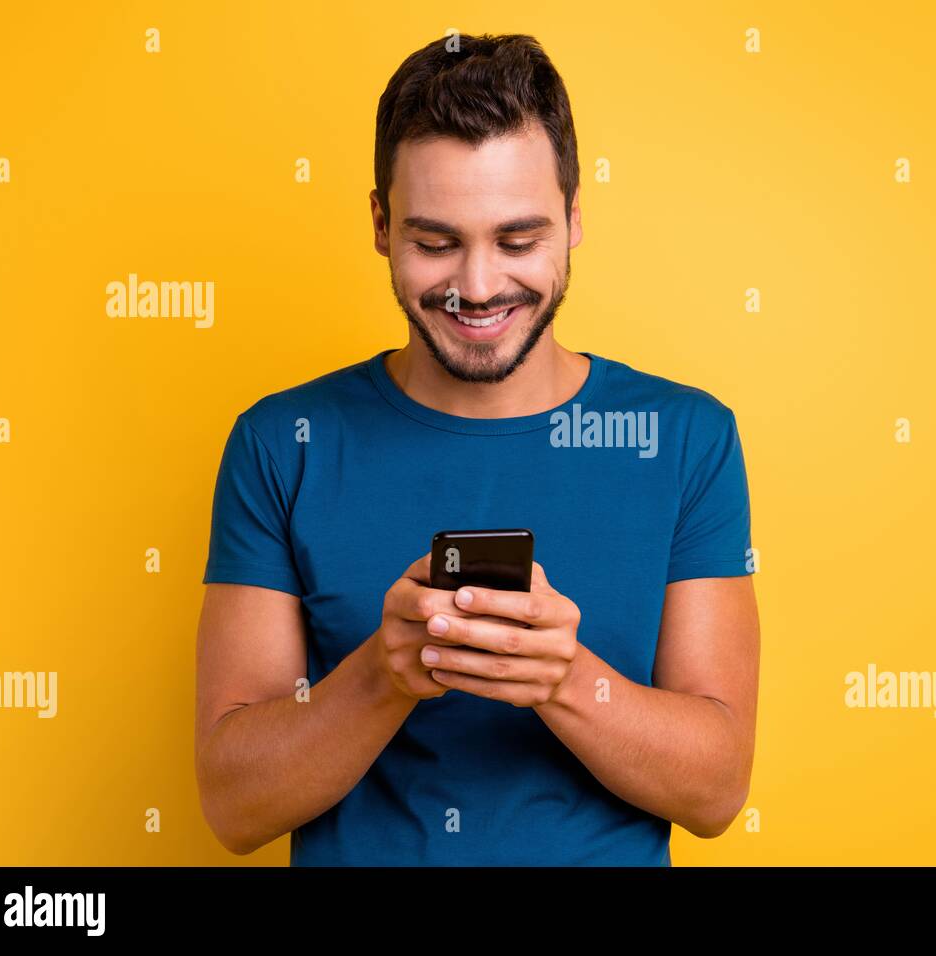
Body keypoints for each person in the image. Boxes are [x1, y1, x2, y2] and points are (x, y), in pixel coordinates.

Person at [194, 32, 760, 866]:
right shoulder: (281, 444)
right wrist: (382, 677)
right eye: (435, 242)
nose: (480, 284)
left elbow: (716, 792)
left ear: (574, 221)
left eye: (519, 240)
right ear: (382, 226)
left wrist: (563, 679)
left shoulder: (686, 439)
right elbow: (234, 807)